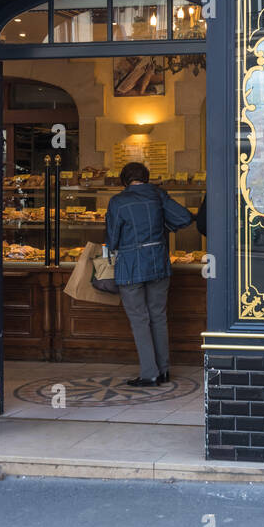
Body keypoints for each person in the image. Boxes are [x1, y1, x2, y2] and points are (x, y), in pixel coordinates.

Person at [106, 162, 194, 386]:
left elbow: (113, 239)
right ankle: (163, 370)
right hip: (158, 263)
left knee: (139, 320)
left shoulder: (118, 202)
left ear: (125, 180)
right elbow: (184, 218)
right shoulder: (158, 195)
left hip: (130, 266)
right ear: (147, 177)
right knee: (158, 317)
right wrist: (163, 224)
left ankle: (149, 373)